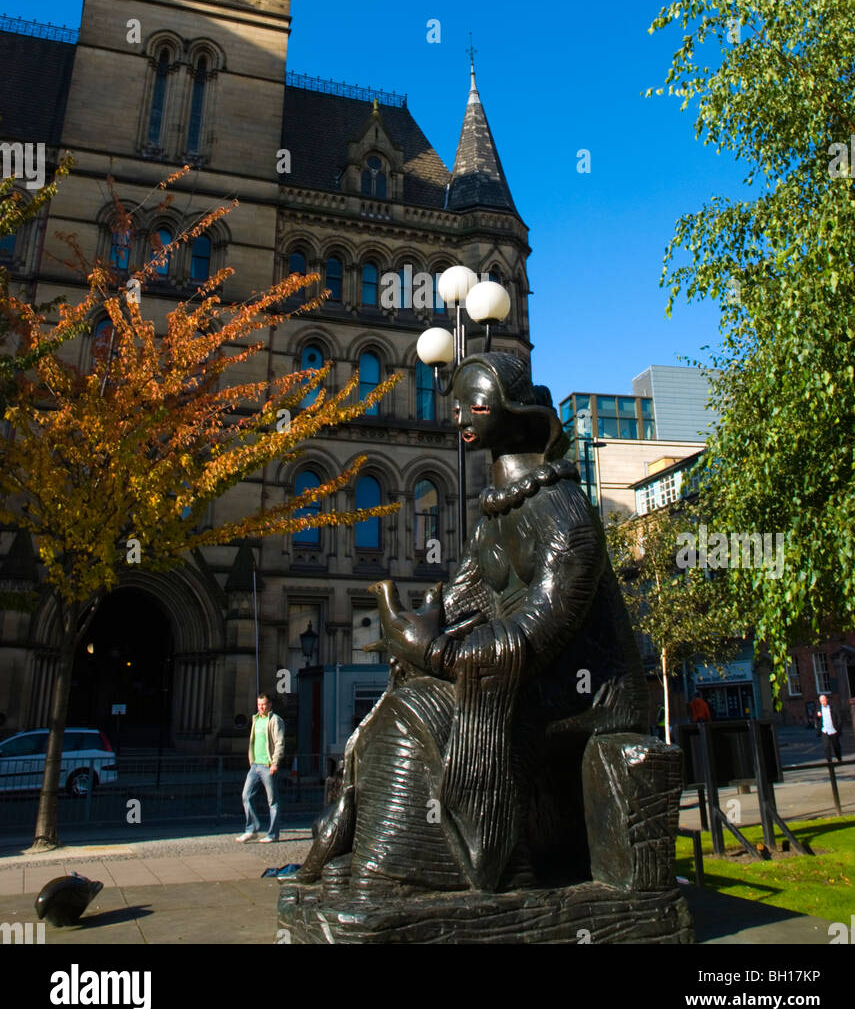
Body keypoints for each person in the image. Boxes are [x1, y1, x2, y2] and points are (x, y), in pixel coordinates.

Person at [297, 351, 648, 894]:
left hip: (591, 694)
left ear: (517, 415)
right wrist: (426, 624)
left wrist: (437, 653)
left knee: (429, 709)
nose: (460, 417)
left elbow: (536, 636)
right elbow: (461, 597)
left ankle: (481, 868)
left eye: (476, 406)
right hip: (529, 677)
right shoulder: (496, 514)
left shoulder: (565, 511)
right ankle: (380, 851)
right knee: (402, 700)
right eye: (457, 406)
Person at [236, 694, 284, 843]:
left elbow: (279, 743)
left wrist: (275, 763)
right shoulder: (256, 720)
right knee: (246, 796)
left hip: (267, 765)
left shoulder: (276, 720)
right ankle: (252, 829)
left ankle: (273, 834)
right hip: (255, 765)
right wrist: (251, 760)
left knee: (273, 802)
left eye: (263, 704)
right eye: (259, 704)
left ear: (269, 705)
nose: (261, 707)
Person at [815, 693, 842, 764]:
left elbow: (838, 717)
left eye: (824, 701)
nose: (823, 702)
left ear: (826, 700)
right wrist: (817, 718)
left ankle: (839, 758)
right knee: (826, 746)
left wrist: (838, 727)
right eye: (822, 701)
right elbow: (816, 719)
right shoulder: (819, 709)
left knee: (836, 746)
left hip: (833, 729)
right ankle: (829, 761)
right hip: (825, 730)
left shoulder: (832, 707)